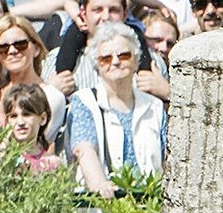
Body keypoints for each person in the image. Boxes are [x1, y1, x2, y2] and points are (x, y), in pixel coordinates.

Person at [67, 20, 165, 196]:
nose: (116, 62)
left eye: (124, 55)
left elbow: (167, 160)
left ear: (136, 60)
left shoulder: (155, 106)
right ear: (97, 66)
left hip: (151, 204)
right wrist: (100, 185)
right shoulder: (84, 102)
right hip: (103, 209)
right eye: (106, 58)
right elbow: (84, 149)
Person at [0, 15, 66, 143]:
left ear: (36, 49)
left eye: (20, 44)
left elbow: (38, 146)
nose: (12, 51)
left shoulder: (52, 96)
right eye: (3, 48)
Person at [0, 83, 62, 174]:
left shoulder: (52, 163)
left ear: (43, 118)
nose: (20, 122)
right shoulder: (2, 158)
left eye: (26, 115)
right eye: (13, 116)